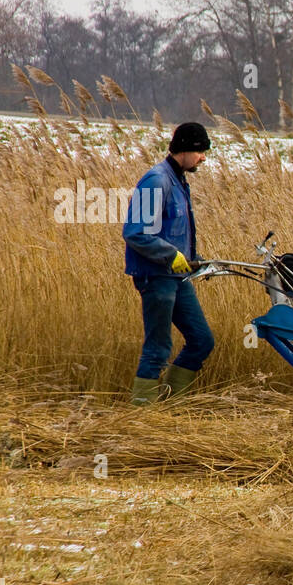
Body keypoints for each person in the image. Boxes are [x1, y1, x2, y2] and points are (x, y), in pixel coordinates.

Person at [122, 122, 216, 404]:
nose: (203, 158)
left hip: (177, 277)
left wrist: (190, 259)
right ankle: (141, 416)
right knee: (158, 348)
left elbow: (171, 230)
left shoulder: (179, 180)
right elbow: (135, 232)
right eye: (200, 151)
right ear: (184, 149)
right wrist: (171, 256)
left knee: (202, 341)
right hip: (156, 277)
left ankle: (171, 403)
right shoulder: (157, 180)